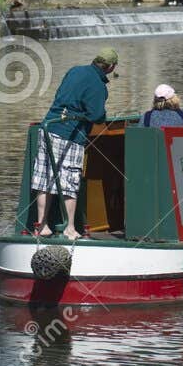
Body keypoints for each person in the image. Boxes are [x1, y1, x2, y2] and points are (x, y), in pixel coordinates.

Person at [32, 48, 118, 238]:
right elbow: (96, 115)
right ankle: (69, 228)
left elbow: (60, 95)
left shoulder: (75, 70)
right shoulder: (98, 85)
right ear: (111, 67)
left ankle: (42, 226)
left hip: (48, 127)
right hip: (70, 133)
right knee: (69, 181)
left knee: (44, 179)